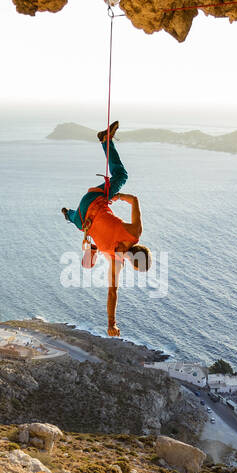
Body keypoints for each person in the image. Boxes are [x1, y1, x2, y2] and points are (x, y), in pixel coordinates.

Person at [60, 121, 151, 337]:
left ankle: (105, 140)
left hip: (93, 199)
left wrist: (117, 196)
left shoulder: (134, 232)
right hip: (82, 219)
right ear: (131, 261)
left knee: (121, 176)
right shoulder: (116, 260)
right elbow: (113, 293)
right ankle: (66, 214)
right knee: (77, 223)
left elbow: (134, 200)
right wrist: (111, 323)